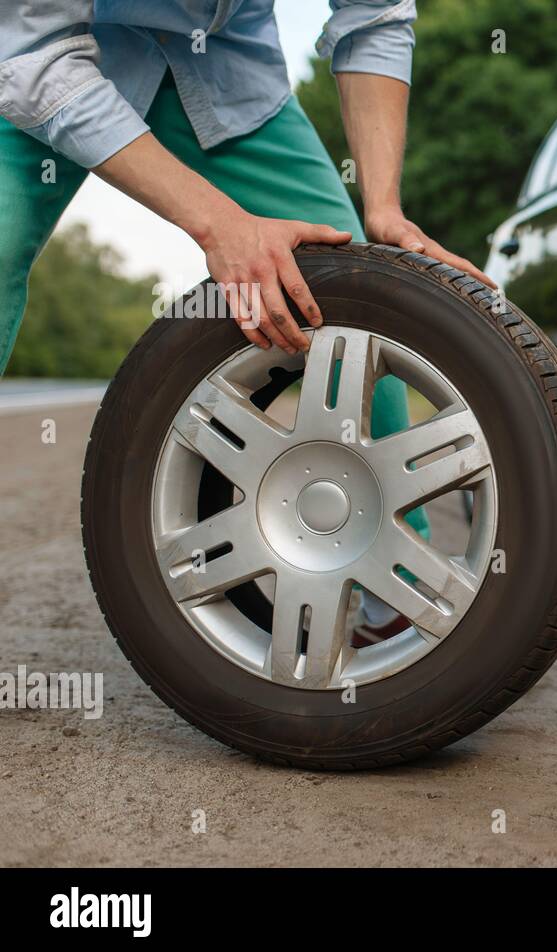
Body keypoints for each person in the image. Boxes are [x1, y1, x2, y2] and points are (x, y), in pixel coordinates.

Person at [0, 0, 491, 645]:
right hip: (41, 56)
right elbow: (33, 56)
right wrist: (217, 224)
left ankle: (388, 580)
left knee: (353, 288)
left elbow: (373, 19)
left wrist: (385, 206)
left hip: (226, 72)